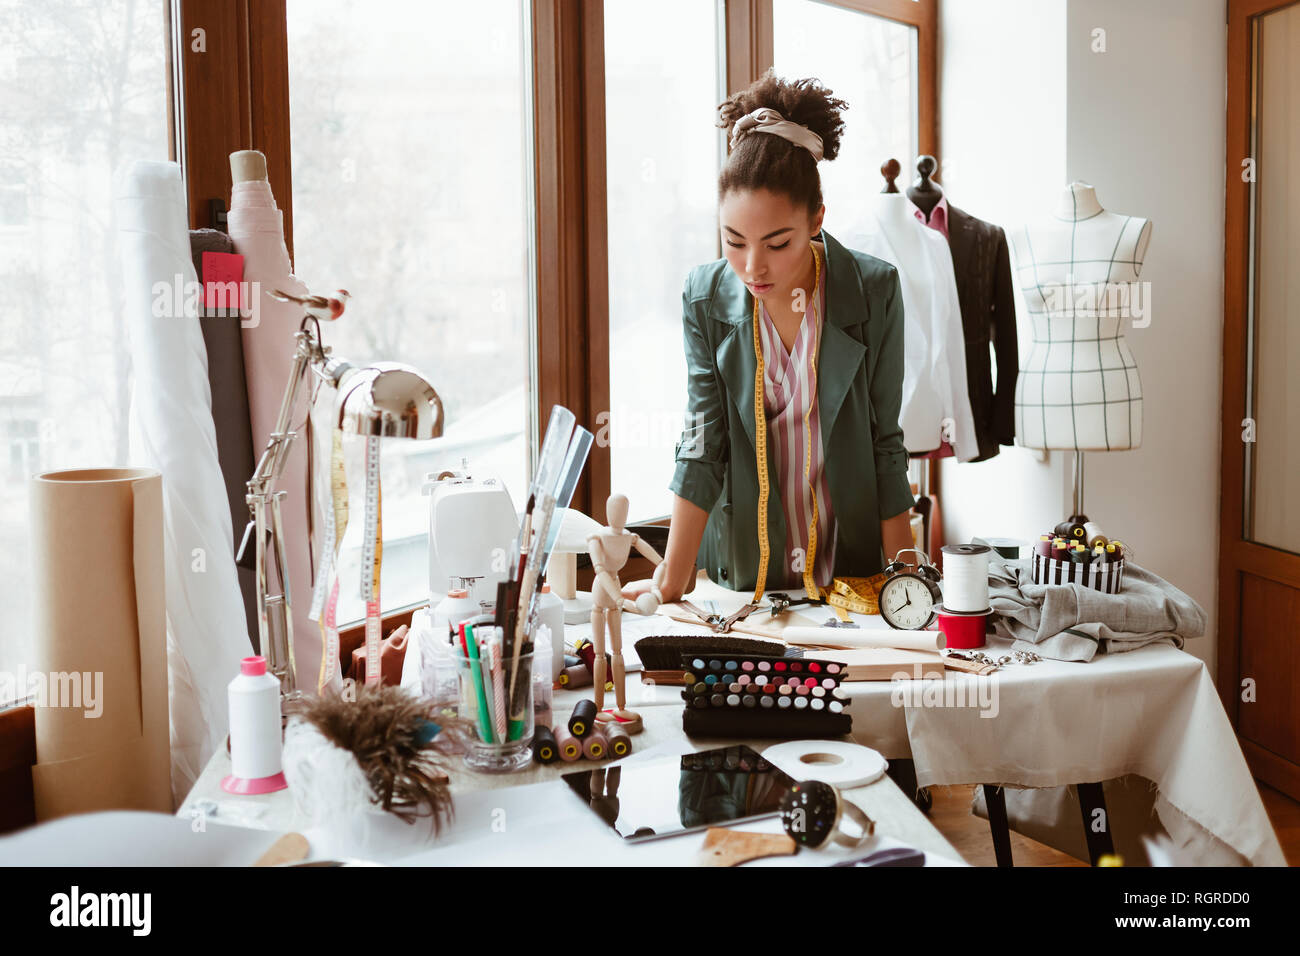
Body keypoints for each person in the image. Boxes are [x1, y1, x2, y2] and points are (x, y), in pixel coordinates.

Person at [625, 70, 915, 605]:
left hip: (849, 571)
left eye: (778, 243)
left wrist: (908, 587)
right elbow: (701, 441)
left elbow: (885, 445)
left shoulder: (873, 291)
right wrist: (673, 575)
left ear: (816, 219)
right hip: (747, 570)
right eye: (733, 241)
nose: (753, 267)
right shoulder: (704, 298)